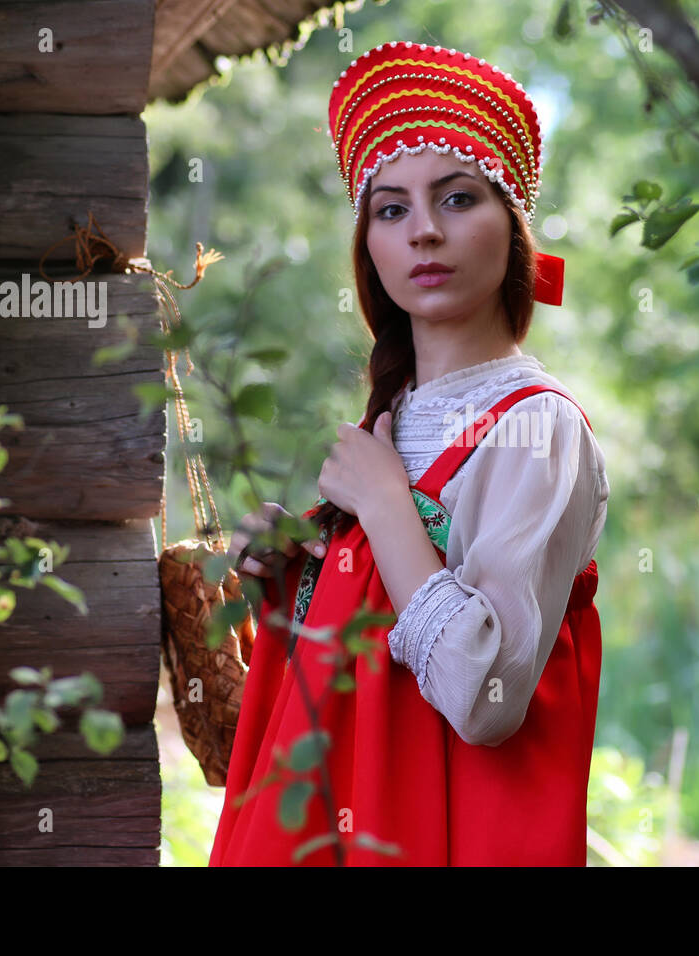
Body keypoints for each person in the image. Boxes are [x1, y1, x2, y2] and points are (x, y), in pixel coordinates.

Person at [209, 41, 609, 866]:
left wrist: (388, 505)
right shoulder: (394, 418)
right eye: (390, 210)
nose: (424, 231)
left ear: (513, 228)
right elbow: (377, 642)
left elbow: (484, 693)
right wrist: (296, 576)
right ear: (369, 249)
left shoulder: (539, 427)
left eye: (457, 199)